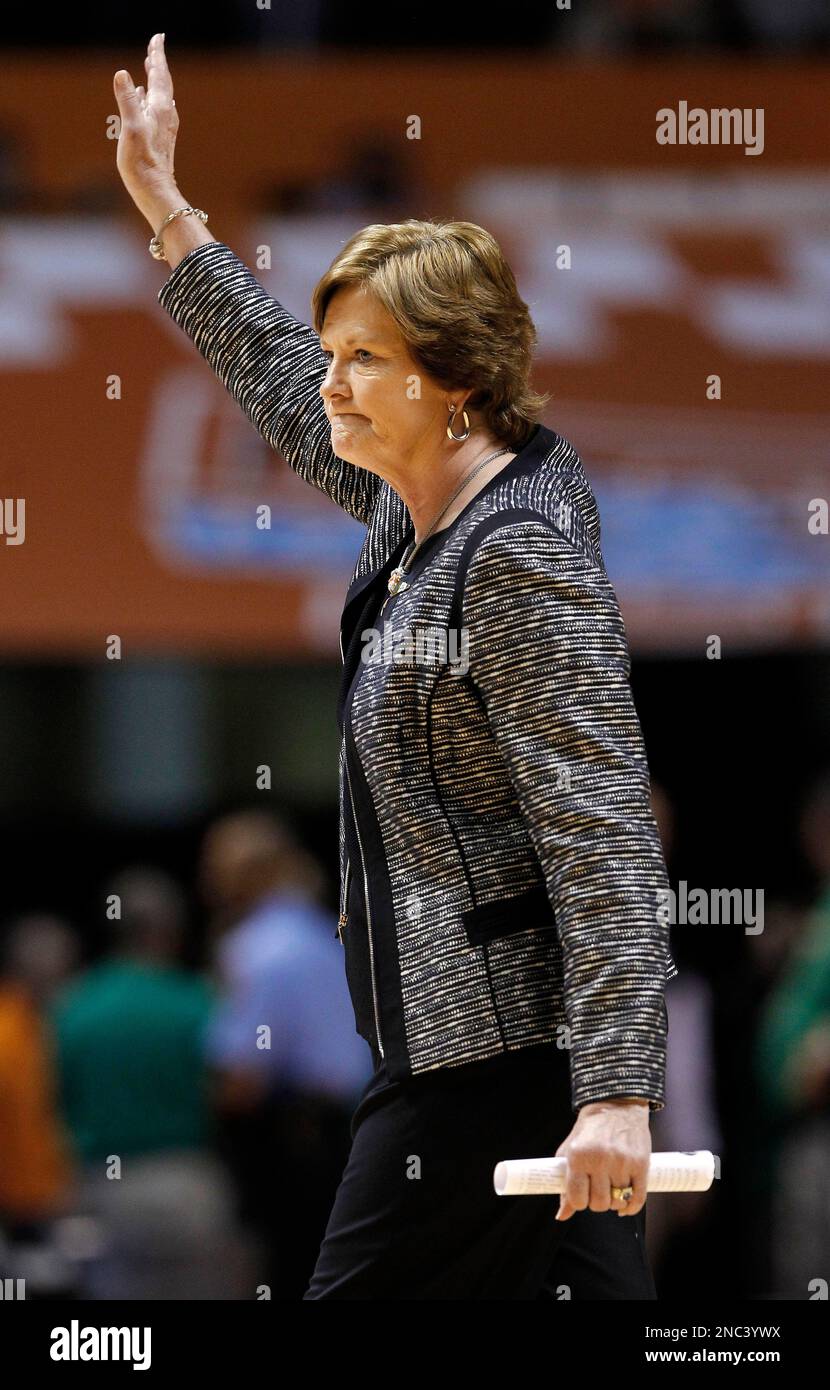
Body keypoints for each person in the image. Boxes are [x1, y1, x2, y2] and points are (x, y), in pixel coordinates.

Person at [112, 34, 678, 1299]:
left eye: (364, 358)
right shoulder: (419, 505)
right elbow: (277, 379)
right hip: (470, 1055)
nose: (332, 384)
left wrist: (615, 1093)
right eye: (335, 353)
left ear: (455, 379)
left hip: (496, 1068)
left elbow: (600, 827)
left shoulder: (513, 553)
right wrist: (169, 211)